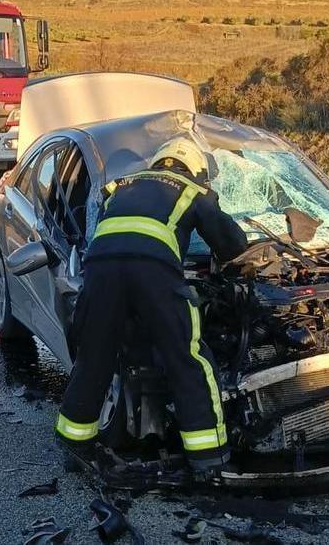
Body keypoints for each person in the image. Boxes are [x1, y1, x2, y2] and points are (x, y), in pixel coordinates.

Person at [55, 136, 248, 478]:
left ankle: (75, 444)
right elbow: (231, 245)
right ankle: (209, 457)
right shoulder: (194, 190)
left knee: (95, 355)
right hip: (154, 270)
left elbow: (106, 227)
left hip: (100, 269)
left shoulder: (119, 185)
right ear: (195, 168)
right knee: (187, 357)